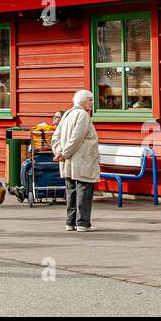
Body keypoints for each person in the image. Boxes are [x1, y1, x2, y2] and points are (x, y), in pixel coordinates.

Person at [52, 89, 100, 232]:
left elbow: (56, 136)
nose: (92, 103)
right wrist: (64, 153)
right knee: (84, 191)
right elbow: (76, 138)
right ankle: (83, 223)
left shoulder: (67, 114)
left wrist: (59, 152)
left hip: (69, 162)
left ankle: (70, 222)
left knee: (71, 192)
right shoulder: (82, 115)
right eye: (90, 100)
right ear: (83, 101)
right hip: (81, 161)